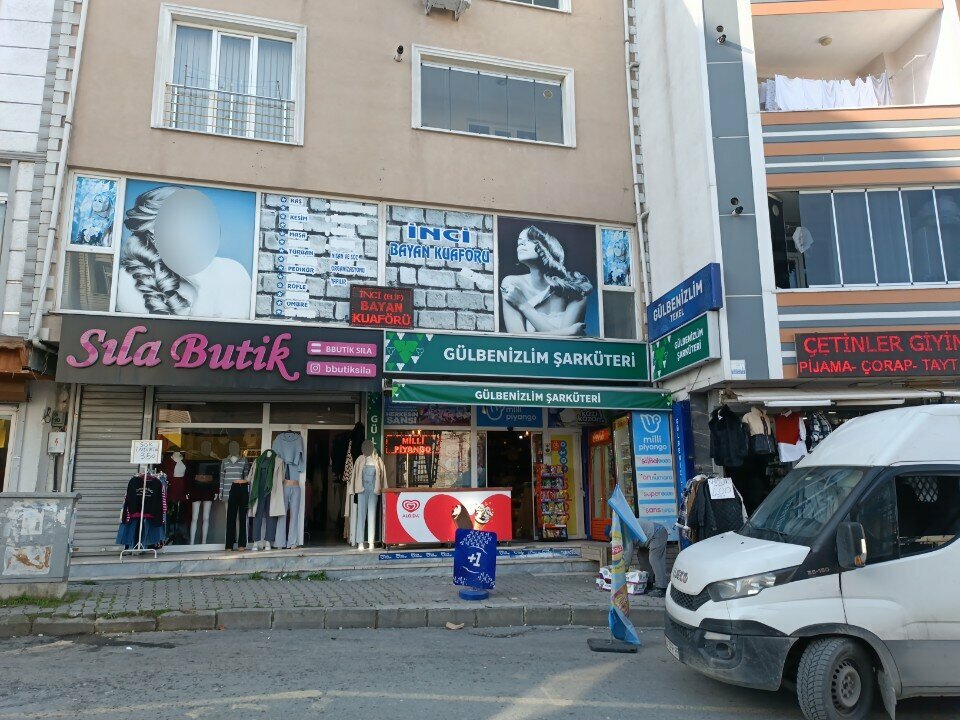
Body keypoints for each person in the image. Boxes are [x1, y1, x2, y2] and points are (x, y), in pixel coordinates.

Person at [116, 186, 250, 318]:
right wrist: (204, 290)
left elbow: (238, 330)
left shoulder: (233, 272)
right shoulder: (131, 279)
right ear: (153, 229)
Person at [500, 225, 593, 336]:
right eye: (519, 241)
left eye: (530, 239)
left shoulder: (577, 288)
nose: (521, 243)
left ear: (548, 246)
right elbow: (517, 339)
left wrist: (523, 305)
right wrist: (569, 332)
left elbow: (565, 343)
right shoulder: (512, 284)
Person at [636, 519, 669, 598]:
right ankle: (648, 582)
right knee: (642, 556)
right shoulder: (622, 527)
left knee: (655, 558)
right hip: (647, 538)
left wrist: (624, 570)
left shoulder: (623, 531)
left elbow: (628, 552)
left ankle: (661, 588)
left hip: (657, 532)